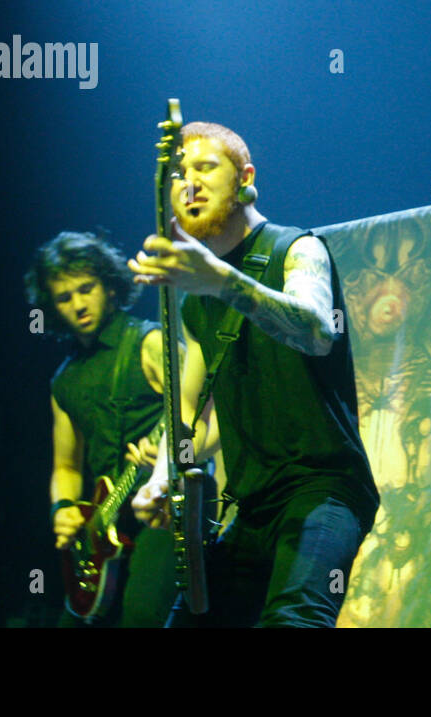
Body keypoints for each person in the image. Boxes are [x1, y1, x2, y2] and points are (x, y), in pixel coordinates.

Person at [129, 121, 379, 627]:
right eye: (178, 174)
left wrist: (223, 281)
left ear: (245, 178)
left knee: (293, 620)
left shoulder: (297, 248)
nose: (188, 183)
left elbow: (314, 330)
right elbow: (189, 415)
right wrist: (161, 477)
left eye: (204, 167)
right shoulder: (196, 300)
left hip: (323, 488)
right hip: (250, 505)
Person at [25, 230, 176, 627]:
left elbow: (200, 413)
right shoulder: (64, 381)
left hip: (161, 511)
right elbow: (66, 468)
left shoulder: (149, 343)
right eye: (64, 297)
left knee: (142, 617)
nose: (78, 305)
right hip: (103, 529)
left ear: (109, 286)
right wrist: (63, 509)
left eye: (86, 289)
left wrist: (167, 453)